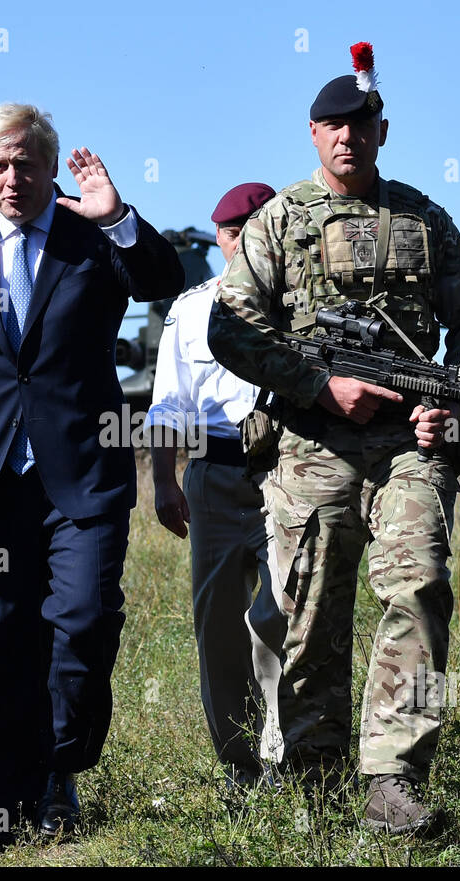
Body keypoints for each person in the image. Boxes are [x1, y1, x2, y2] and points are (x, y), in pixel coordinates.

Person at [208, 44, 460, 833]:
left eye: (360, 124)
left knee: (420, 587)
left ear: (382, 131)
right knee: (310, 611)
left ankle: (392, 779)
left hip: (409, 444)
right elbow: (230, 330)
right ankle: (310, 777)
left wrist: (457, 404)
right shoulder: (277, 222)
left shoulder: (424, 219)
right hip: (313, 445)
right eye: (333, 126)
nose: (347, 137)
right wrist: (320, 385)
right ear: (313, 134)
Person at [0, 103, 183, 851]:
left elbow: (163, 281)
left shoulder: (92, 235)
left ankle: (60, 767)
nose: (13, 178)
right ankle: (8, 808)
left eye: (26, 164)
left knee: (82, 622)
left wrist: (119, 219)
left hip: (80, 478)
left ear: (52, 169)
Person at [145, 182, 287, 791]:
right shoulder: (190, 308)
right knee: (218, 624)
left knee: (282, 612)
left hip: (287, 471)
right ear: (223, 239)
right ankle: (239, 765)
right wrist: (161, 480)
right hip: (212, 475)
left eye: (257, 228)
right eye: (233, 234)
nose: (245, 241)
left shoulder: (303, 305)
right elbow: (167, 404)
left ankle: (291, 754)